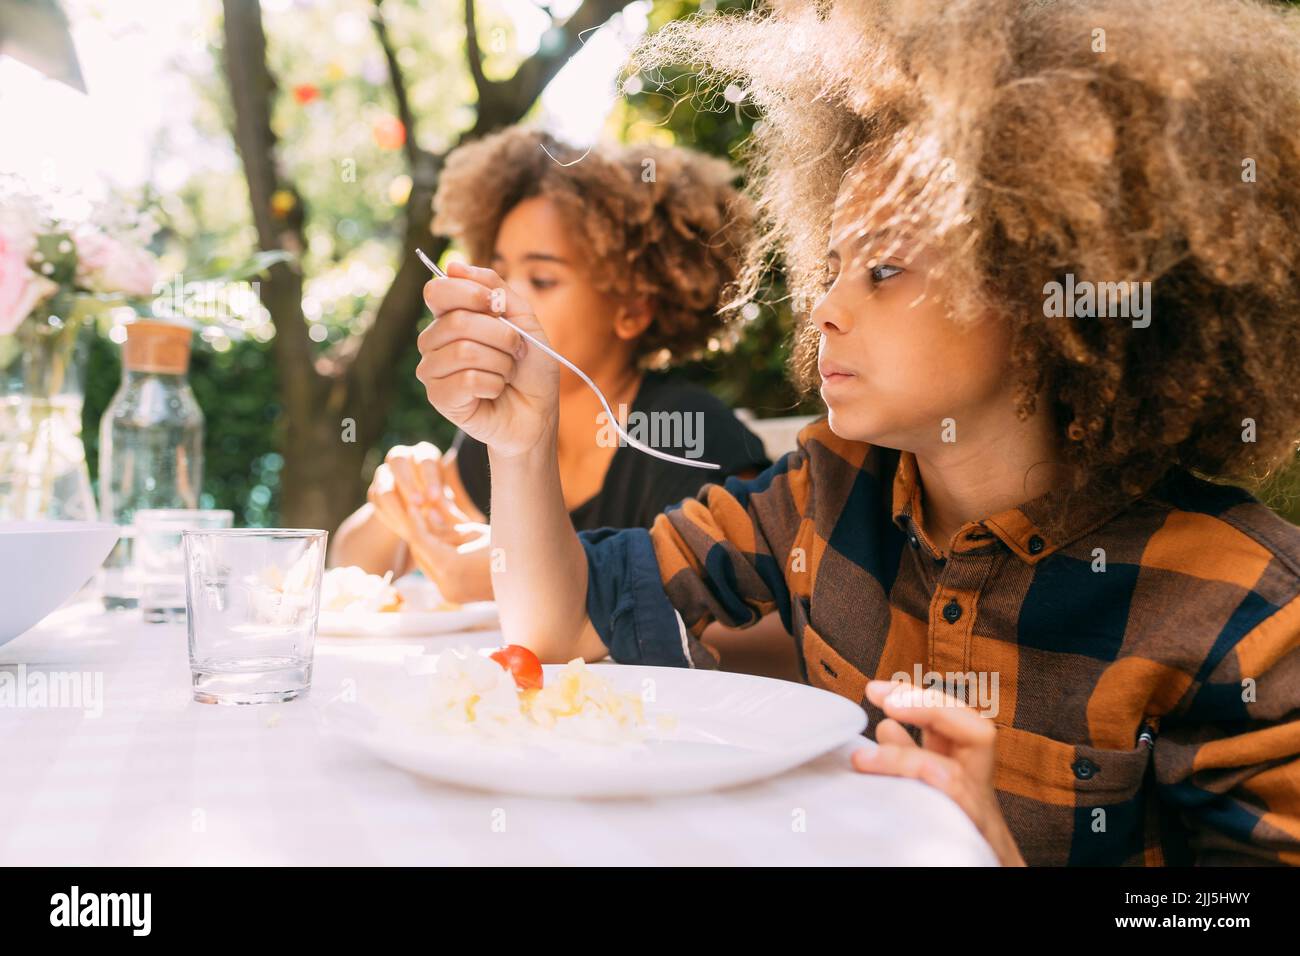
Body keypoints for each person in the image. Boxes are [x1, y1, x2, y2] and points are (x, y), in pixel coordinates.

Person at [415, 0, 1300, 866]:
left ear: (1045, 289)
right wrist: (520, 441)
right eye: (834, 264)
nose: (827, 308)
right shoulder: (826, 491)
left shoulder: (1246, 610)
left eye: (884, 268)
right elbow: (557, 627)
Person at [330, 127, 771, 607]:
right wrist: (397, 504)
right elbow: (351, 566)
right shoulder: (492, 437)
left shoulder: (688, 434)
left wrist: (522, 578)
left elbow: (767, 629)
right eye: (497, 270)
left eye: (541, 279)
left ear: (632, 310)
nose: (499, 298)